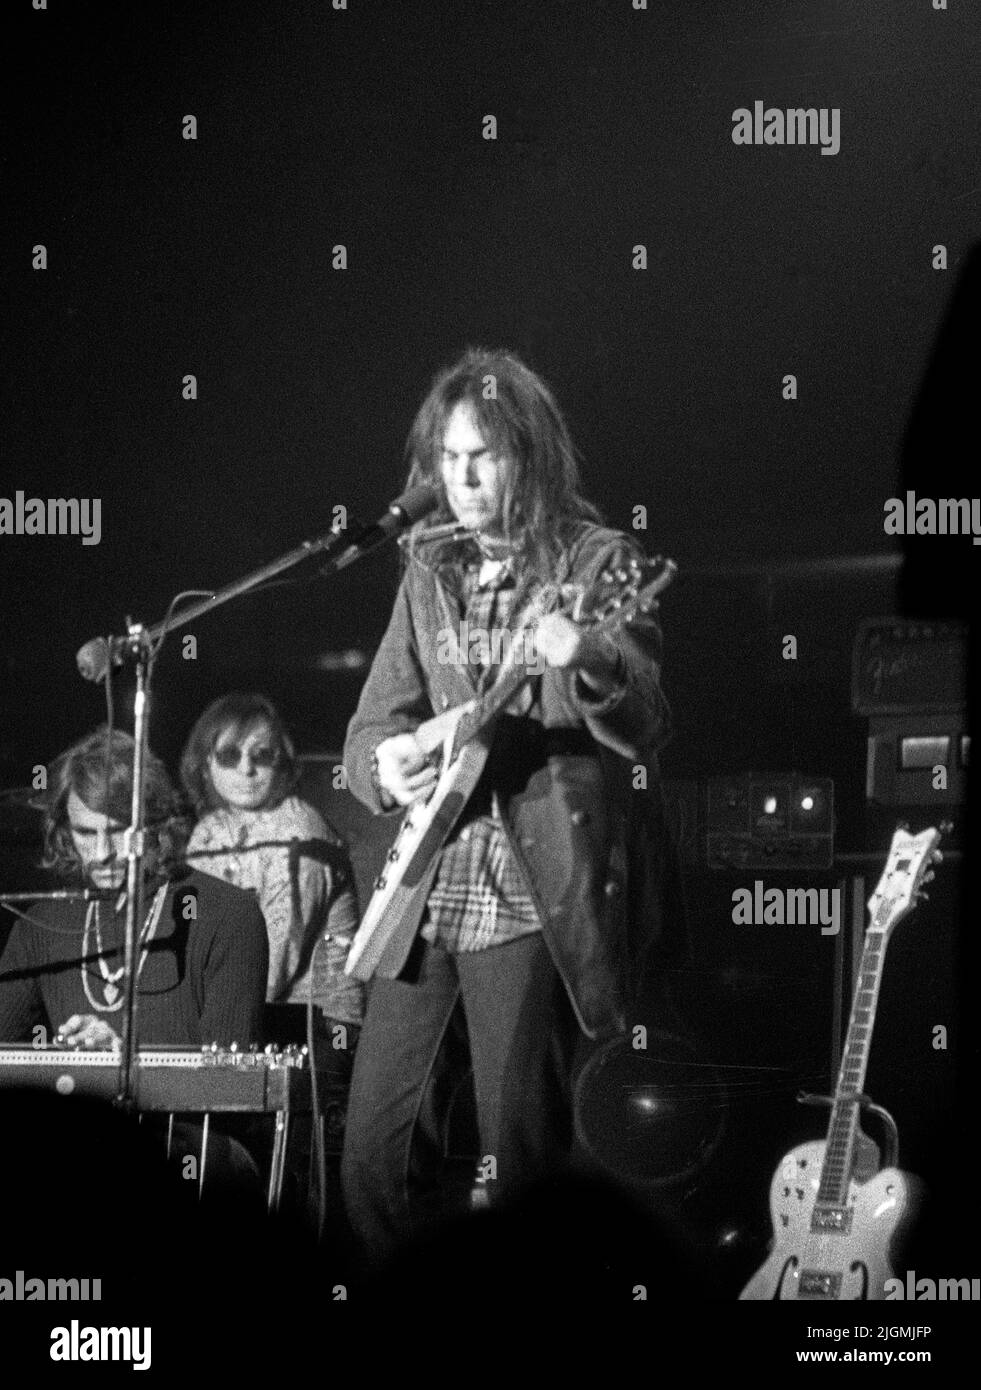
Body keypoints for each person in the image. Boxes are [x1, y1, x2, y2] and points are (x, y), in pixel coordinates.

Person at [340, 347, 674, 1260]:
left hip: (528, 892)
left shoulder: (596, 559)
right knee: (371, 1155)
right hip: (423, 887)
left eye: (482, 455)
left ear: (527, 454)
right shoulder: (427, 569)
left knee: (520, 1158)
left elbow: (645, 721)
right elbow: (368, 732)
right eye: (447, 459)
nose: (463, 477)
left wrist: (592, 658)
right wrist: (390, 764)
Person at [0, 726, 268, 1049]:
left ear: (156, 825)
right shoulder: (41, 926)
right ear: (64, 830)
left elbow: (229, 1085)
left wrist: (123, 1061)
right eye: (85, 833)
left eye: (118, 832)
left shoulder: (226, 915)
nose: (102, 854)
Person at [181, 693, 363, 1067]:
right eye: (230, 756)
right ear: (205, 765)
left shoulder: (299, 835)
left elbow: (274, 967)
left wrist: (184, 1023)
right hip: (245, 1010)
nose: (246, 770)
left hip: (318, 1031)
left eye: (262, 755)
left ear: (283, 761)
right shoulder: (209, 830)